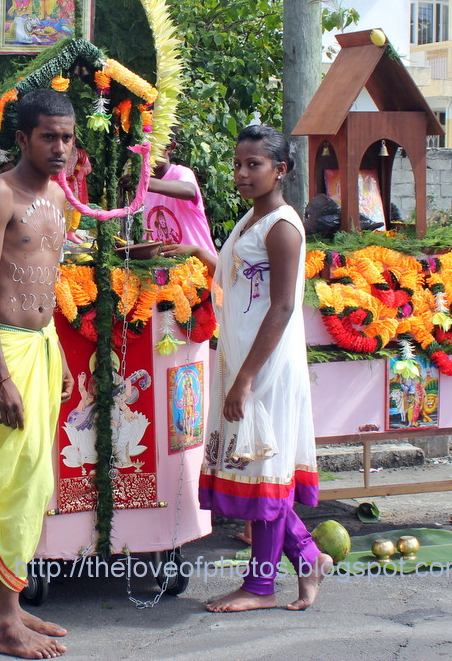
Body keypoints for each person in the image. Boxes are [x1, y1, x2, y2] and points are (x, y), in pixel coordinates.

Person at [184, 124, 330, 613]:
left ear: (280, 169)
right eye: (238, 164)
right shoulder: (251, 219)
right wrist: (193, 255)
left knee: (263, 467)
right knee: (255, 467)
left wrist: (245, 378)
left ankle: (261, 586)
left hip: (264, 367)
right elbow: (238, 277)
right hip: (240, 358)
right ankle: (307, 558)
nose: (242, 173)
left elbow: (284, 307)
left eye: (255, 165)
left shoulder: (283, 226)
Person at [0, 88, 75, 658]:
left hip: (42, 346)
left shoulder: (60, 196)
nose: (60, 148)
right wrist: (0, 377)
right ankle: (1, 621)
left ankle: (13, 603)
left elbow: (47, 278)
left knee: (34, 477)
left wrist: (61, 355)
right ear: (22, 138)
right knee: (15, 475)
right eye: (48, 136)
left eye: (67, 138)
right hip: (4, 350)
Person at [127, 137, 215, 256]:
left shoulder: (181, 173)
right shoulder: (138, 188)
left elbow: (189, 190)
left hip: (202, 268)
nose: (147, 152)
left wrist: (144, 183)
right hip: (167, 271)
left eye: (153, 146)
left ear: (171, 147)